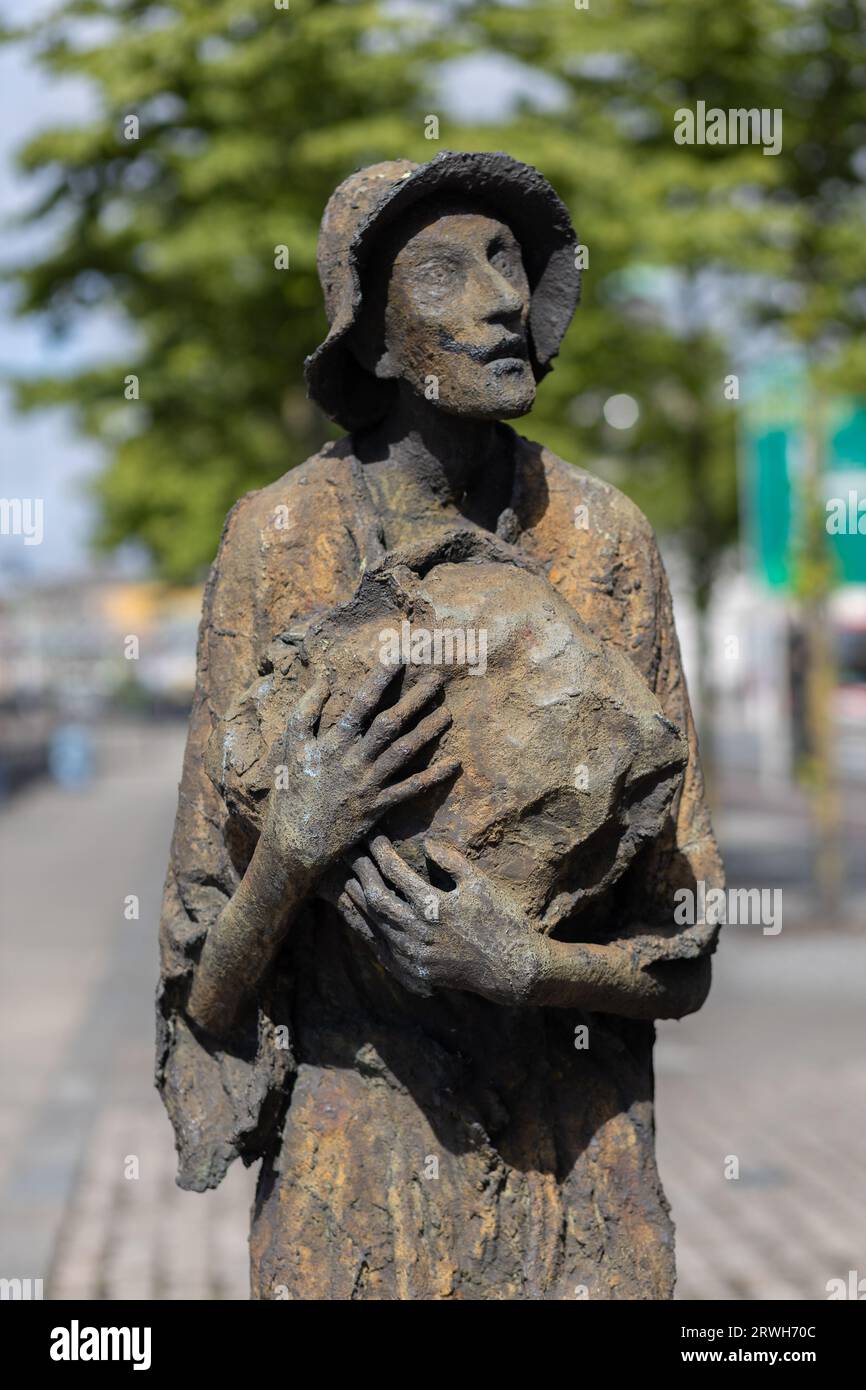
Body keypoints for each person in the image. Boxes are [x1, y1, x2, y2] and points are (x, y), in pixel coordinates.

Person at [157, 151, 723, 1300]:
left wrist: (528, 966)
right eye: (443, 272)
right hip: (350, 1166)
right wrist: (292, 853)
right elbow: (202, 995)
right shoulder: (278, 542)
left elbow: (684, 946)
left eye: (509, 262)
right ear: (368, 336)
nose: (501, 297)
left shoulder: (606, 540)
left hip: (577, 1160)